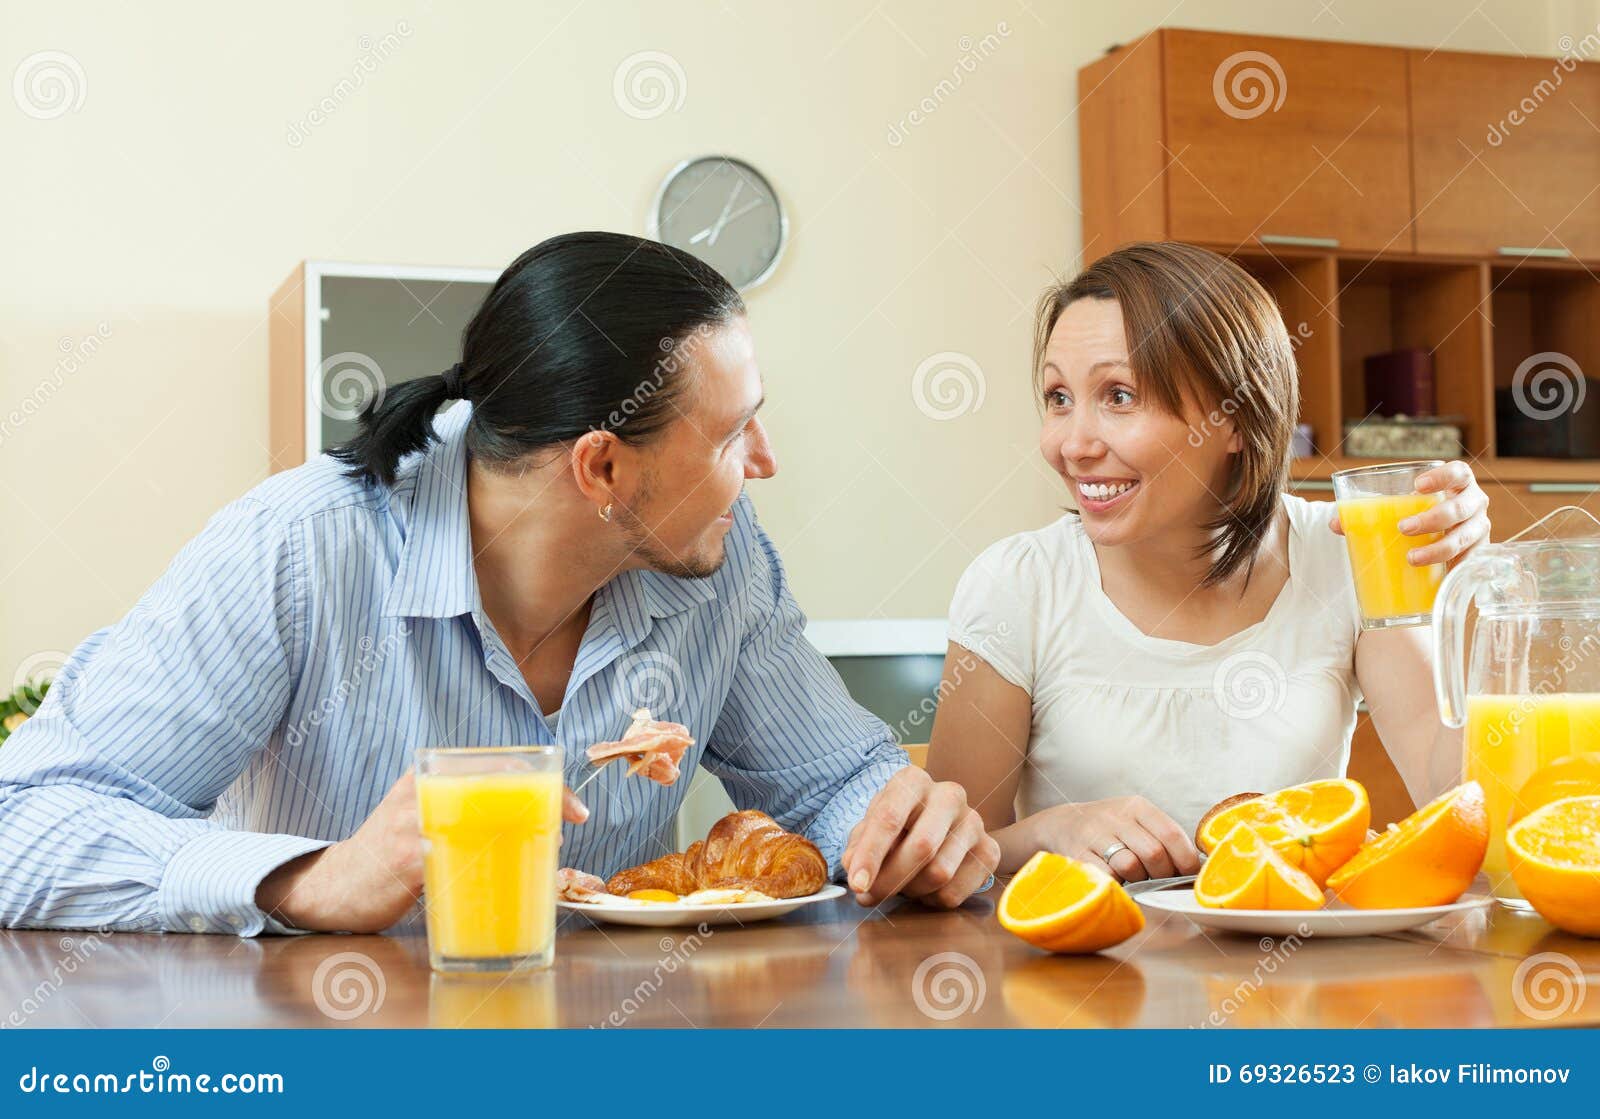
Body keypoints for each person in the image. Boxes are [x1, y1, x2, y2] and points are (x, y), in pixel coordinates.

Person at [0, 232, 998, 936]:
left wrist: (902, 824)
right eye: (735, 433)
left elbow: (829, 783)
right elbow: (25, 826)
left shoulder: (721, 565)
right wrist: (316, 879)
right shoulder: (298, 550)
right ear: (601, 469)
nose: (766, 461)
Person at [926, 242, 1490, 884]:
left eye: (1118, 395)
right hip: (1083, 973)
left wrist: (1488, 593)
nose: (1071, 444)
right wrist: (1051, 832)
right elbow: (945, 862)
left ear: (1236, 418)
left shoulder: (1345, 554)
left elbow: (1462, 800)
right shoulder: (1017, 587)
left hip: (1291, 971)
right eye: (1058, 397)